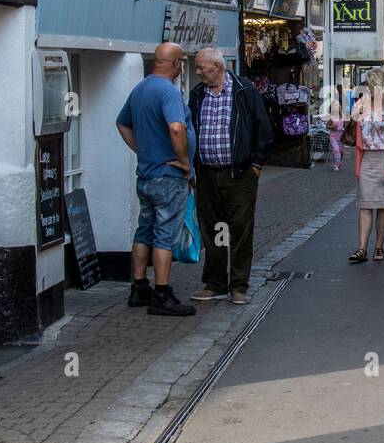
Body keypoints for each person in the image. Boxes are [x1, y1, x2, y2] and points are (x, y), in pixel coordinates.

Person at [116, 43, 197, 315]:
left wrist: (142, 150)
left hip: (146, 175)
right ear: (174, 63)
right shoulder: (168, 91)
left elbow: (122, 122)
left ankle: (139, 287)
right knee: (164, 234)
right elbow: (176, 127)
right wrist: (185, 162)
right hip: (168, 176)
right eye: (181, 62)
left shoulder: (140, 89)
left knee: (144, 230)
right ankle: (161, 294)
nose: (182, 67)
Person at [188, 47, 271, 305]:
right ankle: (215, 283)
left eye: (202, 67)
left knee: (240, 230)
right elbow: (190, 130)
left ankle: (239, 286)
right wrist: (192, 168)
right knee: (212, 229)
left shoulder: (243, 91)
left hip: (239, 174)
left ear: (217, 66)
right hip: (207, 174)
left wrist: (256, 164)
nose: (198, 71)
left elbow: (263, 129)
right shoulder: (197, 94)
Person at [348, 68, 384, 263]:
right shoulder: (361, 103)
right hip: (367, 159)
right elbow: (352, 130)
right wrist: (355, 115)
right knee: (365, 205)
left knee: (383, 206)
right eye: (369, 86)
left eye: (374, 86)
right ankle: (362, 248)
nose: (371, 89)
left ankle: (379, 247)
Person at [325, 85, 345, 172]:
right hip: (333, 137)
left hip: (340, 138)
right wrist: (332, 127)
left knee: (341, 151)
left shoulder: (342, 116)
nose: (337, 107)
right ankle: (336, 165)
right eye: (335, 105)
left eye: (338, 105)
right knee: (336, 150)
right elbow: (327, 126)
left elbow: (345, 125)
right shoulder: (331, 117)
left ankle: (339, 161)